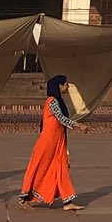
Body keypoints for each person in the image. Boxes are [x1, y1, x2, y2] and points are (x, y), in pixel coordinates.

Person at [20, 74, 84, 210]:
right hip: (48, 141)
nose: (67, 87)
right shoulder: (52, 101)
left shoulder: (57, 101)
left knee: (61, 166)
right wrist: (78, 125)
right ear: (59, 86)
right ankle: (26, 197)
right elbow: (61, 118)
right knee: (39, 167)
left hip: (58, 140)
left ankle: (67, 201)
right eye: (65, 84)